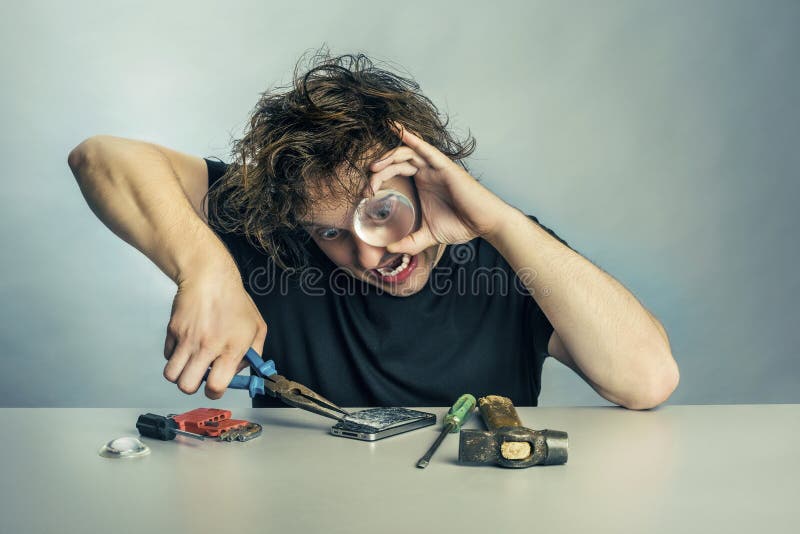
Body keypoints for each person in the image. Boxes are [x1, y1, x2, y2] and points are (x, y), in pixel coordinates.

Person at [68, 52, 679, 409]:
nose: (366, 253)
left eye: (380, 213)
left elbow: (647, 381)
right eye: (329, 234)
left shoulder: (507, 252)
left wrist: (496, 220)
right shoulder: (274, 225)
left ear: (428, 179)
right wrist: (205, 268)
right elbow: (100, 157)